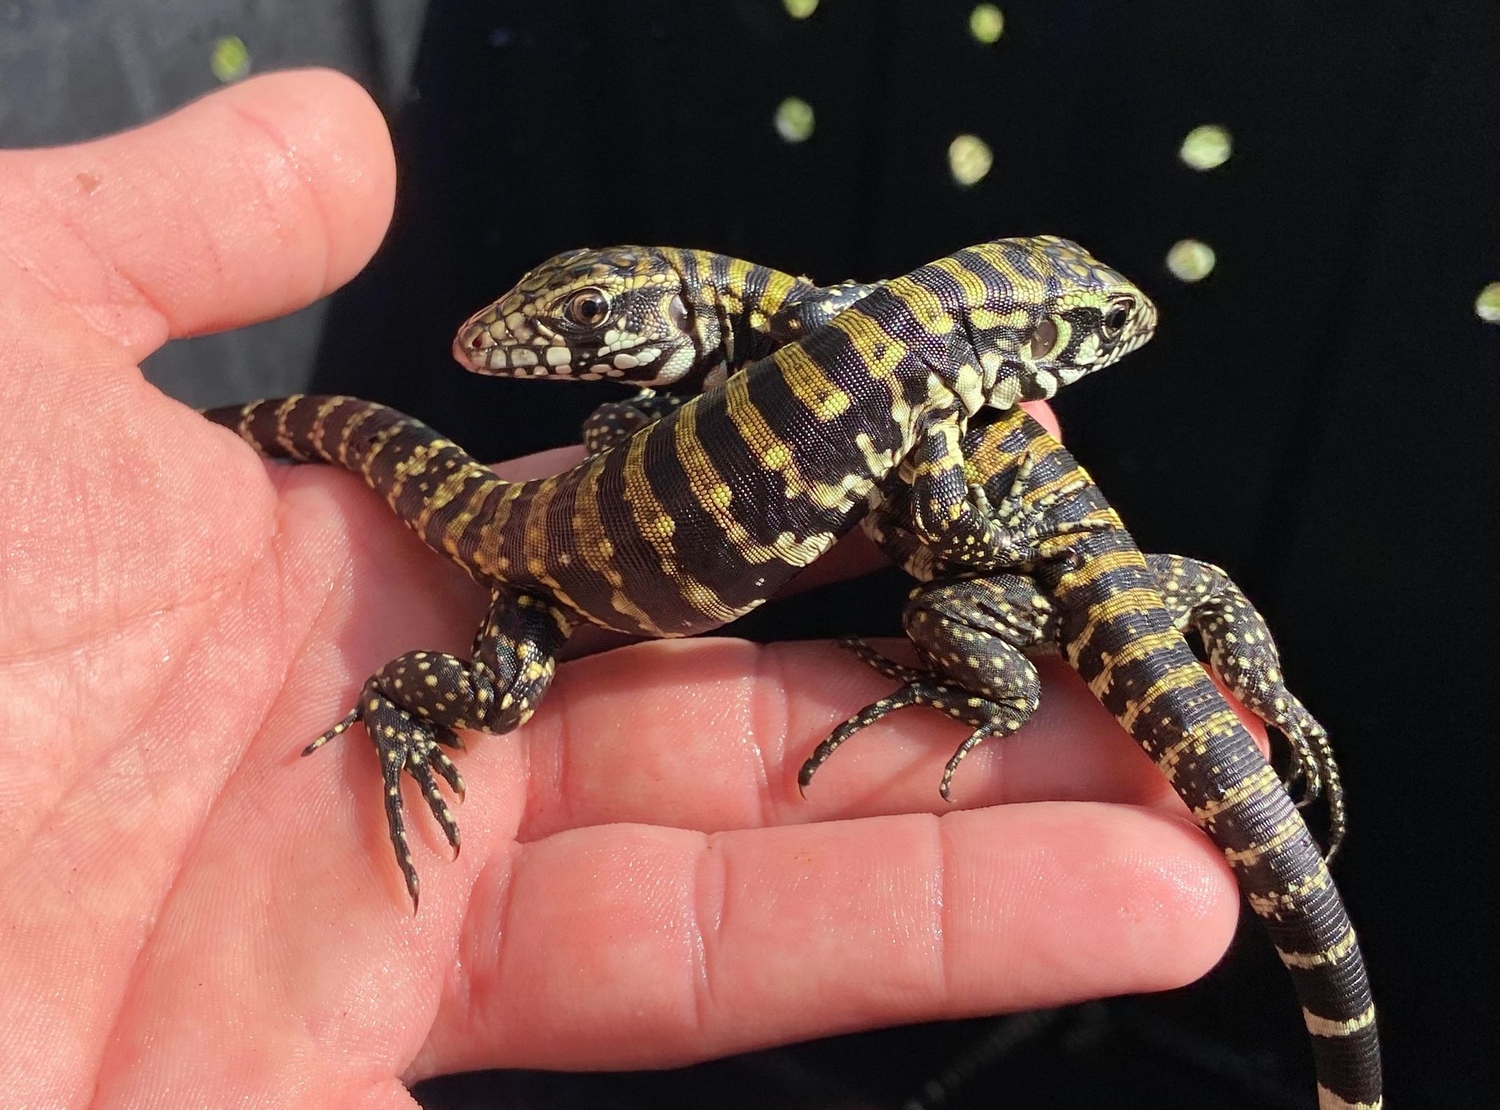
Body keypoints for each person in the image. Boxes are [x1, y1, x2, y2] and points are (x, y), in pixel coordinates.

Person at [0, 70, 1245, 1103]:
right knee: (494, 700)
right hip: (542, 571)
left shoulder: (857, 370)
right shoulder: (868, 377)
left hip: (572, 551)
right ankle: (399, 699)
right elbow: (945, 526)